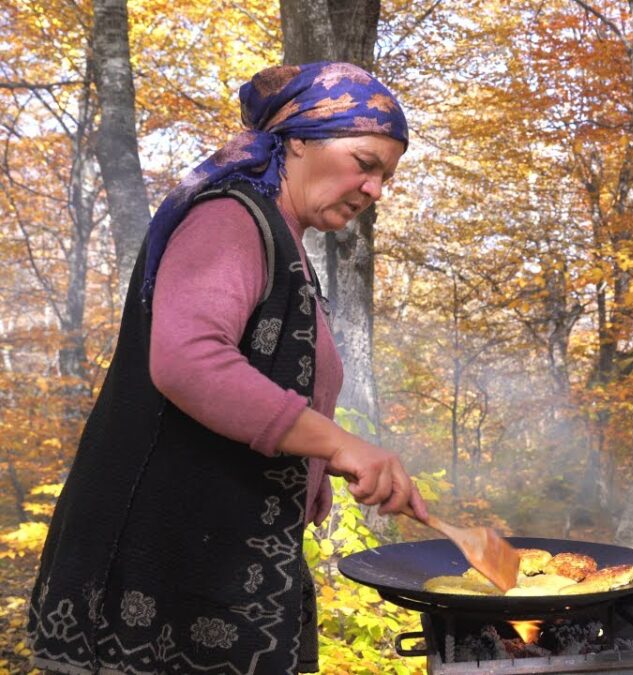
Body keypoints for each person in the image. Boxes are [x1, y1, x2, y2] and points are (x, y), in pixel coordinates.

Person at [26, 61, 429, 674]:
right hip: (159, 576)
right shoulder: (230, 217)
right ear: (298, 139)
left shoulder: (278, 236)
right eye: (365, 162)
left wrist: (315, 465)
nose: (375, 190)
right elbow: (189, 360)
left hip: (221, 564)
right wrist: (340, 444)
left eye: (386, 176)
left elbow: (273, 376)